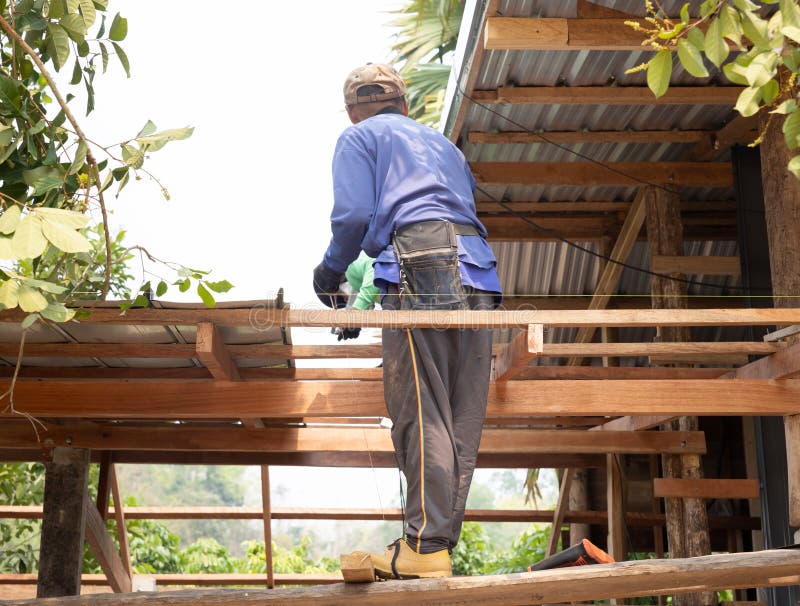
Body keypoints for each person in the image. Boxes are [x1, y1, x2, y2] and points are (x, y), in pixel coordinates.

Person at [312, 63, 501, 580]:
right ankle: (434, 544)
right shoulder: (446, 147)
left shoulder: (358, 137)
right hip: (479, 268)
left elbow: (353, 217)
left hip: (422, 260)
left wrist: (329, 271)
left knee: (421, 406)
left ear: (353, 110)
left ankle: (422, 543)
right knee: (461, 413)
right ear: (406, 105)